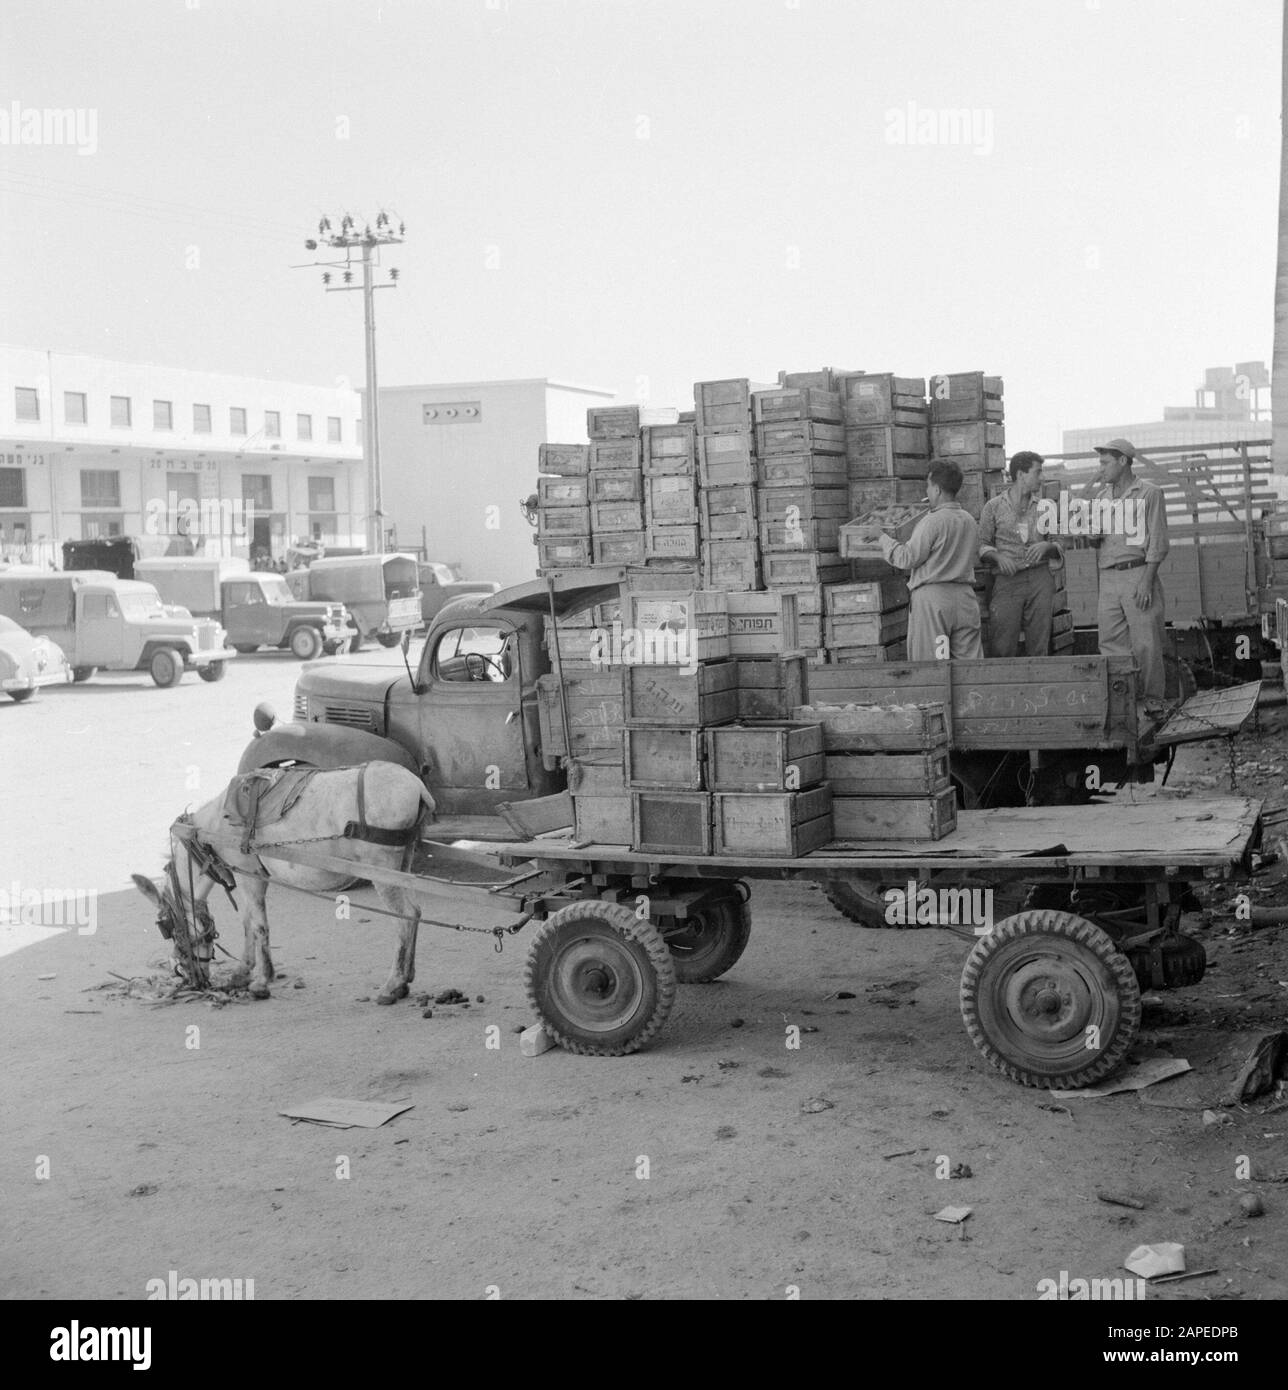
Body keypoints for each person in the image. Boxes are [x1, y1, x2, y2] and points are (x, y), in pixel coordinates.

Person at [1088, 438, 1170, 709]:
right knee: (1111, 645)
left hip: (1138, 574)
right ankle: (1124, 705)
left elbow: (1158, 541)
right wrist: (1090, 532)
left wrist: (1147, 581)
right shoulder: (1102, 498)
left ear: (1123, 461)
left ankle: (1153, 703)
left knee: (1146, 643)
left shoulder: (1149, 494)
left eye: (1105, 463)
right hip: (1108, 577)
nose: (1101, 468)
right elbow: (1095, 538)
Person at [878, 458, 983, 660]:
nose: (927, 492)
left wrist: (882, 538)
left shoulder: (932, 521)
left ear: (936, 490)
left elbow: (907, 558)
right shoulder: (969, 520)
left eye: (928, 486)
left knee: (933, 665)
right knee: (969, 666)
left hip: (934, 604)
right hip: (965, 600)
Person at [977, 450, 1062, 657]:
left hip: (1040, 579)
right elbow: (981, 545)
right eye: (1037, 472)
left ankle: (1038, 688)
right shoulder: (993, 507)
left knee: (1039, 642)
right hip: (1007, 581)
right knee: (1002, 643)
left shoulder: (1045, 507)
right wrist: (997, 557)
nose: (1042, 478)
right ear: (1020, 475)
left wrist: (1047, 547)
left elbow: (1059, 543)